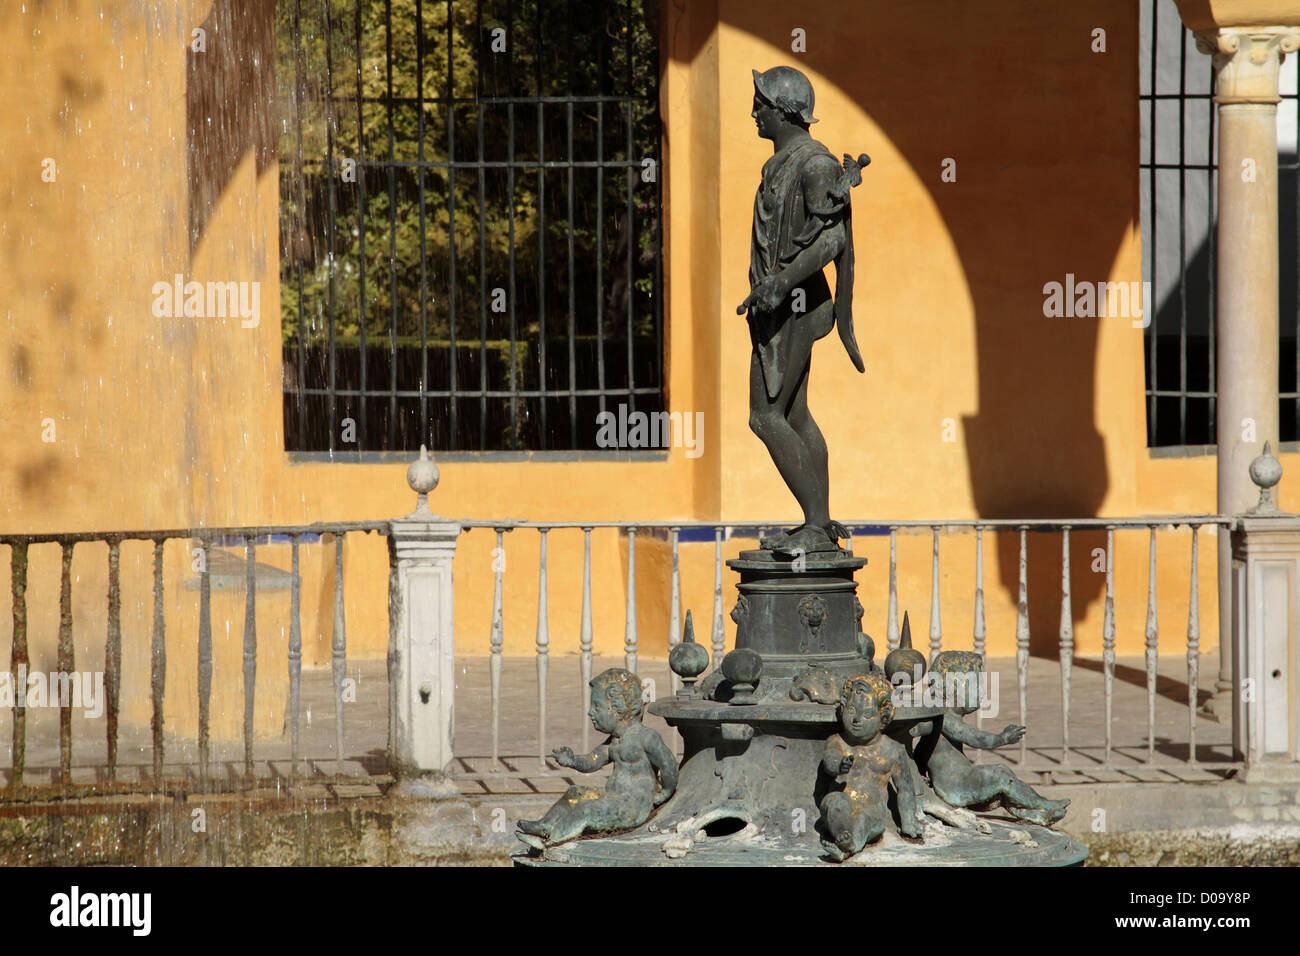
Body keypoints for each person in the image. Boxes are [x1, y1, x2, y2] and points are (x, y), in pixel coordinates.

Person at [737, 66, 868, 557]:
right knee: (795, 412)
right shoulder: (785, 162)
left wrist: (779, 284)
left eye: (761, 104)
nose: (754, 113)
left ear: (783, 111)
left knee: (764, 416)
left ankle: (816, 523)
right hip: (787, 304)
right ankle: (819, 522)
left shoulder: (813, 166)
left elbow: (833, 239)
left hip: (794, 303)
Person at [515, 668, 678, 849]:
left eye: (597, 707)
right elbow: (594, 760)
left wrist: (664, 793)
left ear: (619, 709)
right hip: (614, 798)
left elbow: (668, 763)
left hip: (632, 807)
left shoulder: (645, 737)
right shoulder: (615, 741)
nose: (590, 713)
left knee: (586, 809)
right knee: (574, 793)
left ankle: (550, 840)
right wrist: (573, 760)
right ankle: (545, 825)